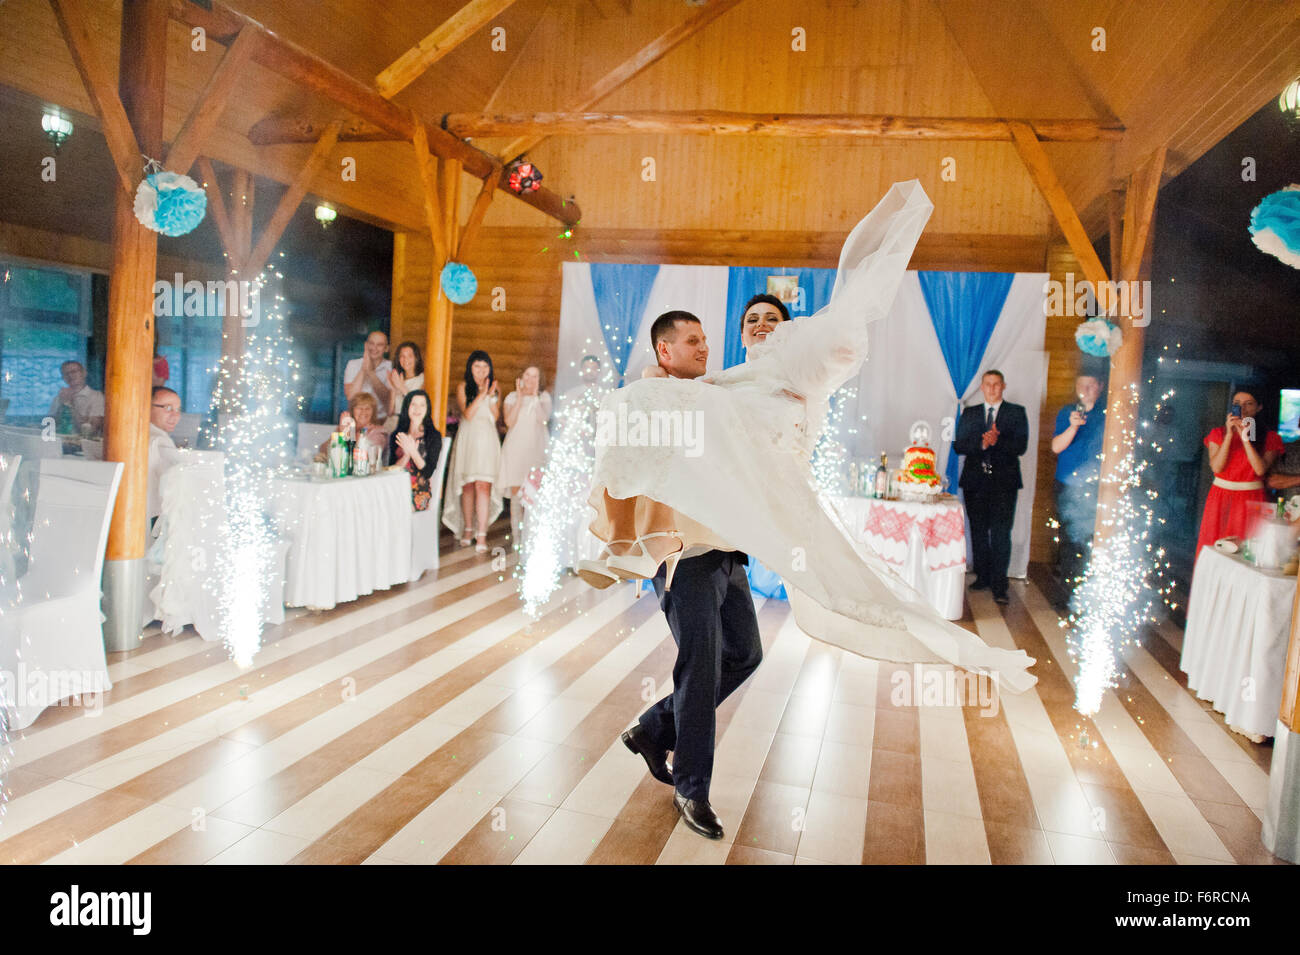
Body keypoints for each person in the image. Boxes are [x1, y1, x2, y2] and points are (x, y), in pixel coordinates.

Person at [586, 183, 1035, 839]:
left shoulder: (779, 394)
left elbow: (841, 353)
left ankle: (653, 727)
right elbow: (649, 430)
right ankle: (693, 789)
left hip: (728, 552)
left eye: (772, 322)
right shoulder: (701, 393)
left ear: (787, 335)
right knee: (703, 664)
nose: (758, 329)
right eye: (750, 325)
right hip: (684, 555)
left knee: (746, 653)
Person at [954, 370, 1029, 606]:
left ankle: (1000, 584)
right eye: (988, 384)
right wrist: (981, 443)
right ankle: (982, 577)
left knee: (1000, 533)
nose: (993, 388)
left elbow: (1021, 446)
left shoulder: (1016, 412)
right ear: (982, 387)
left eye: (997, 384)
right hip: (975, 482)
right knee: (977, 531)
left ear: (1003, 386)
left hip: (1004, 483)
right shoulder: (971, 412)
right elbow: (960, 445)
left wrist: (998, 442)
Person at [1195, 389, 1284, 558]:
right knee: (1214, 545)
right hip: (1220, 496)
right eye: (1237, 404)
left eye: (1248, 404)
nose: (1242, 409)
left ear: (1259, 407)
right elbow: (1217, 467)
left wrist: (1245, 438)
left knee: (1245, 549)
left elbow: (1259, 469)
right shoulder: (1218, 433)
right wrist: (1230, 435)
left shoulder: (1270, 437)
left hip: (1251, 498)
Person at [442, 350, 503, 553]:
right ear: (470, 368)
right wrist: (481, 395)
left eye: (485, 367)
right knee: (467, 485)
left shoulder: (495, 388)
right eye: (477, 367)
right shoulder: (463, 387)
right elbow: (467, 414)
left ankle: (482, 532)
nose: (481, 371)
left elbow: (495, 417)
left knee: (483, 485)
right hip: (468, 437)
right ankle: (468, 528)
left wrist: (491, 396)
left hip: (487, 440)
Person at [1050, 373, 1106, 586]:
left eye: (1091, 385)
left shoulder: (1107, 414)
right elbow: (1056, 447)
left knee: (1092, 541)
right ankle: (1065, 593)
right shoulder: (1067, 412)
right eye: (1082, 385)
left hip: (1096, 486)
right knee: (1067, 540)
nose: (1086, 389)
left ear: (1100, 386)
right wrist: (1073, 426)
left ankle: (1088, 592)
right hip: (1067, 485)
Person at [498, 366, 552, 550]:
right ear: (521, 377)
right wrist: (521, 397)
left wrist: (534, 396)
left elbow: (543, 419)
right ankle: (517, 537)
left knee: (532, 495)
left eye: (534, 376)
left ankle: (531, 537)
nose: (530, 379)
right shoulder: (512, 397)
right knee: (515, 495)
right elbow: (509, 422)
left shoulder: (544, 398)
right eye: (527, 375)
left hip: (535, 450)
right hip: (515, 450)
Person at [389, 389, 442, 511]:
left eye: (422, 405)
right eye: (413, 404)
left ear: (427, 409)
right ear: (407, 407)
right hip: (397, 487)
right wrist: (406, 456)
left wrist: (413, 452)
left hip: (419, 491)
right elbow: (391, 469)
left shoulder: (433, 436)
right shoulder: (397, 435)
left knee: (400, 507)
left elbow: (428, 472)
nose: (417, 409)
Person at [315, 392, 387, 463]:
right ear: (352, 410)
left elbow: (369, 457)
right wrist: (341, 432)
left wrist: (347, 435)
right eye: (359, 408)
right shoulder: (345, 427)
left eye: (368, 408)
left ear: (373, 412)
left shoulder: (379, 431)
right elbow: (323, 449)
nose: (363, 411)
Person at [147, 386, 181, 520]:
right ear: (147, 407)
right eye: (167, 408)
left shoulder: (144, 433)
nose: (175, 415)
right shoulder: (159, 441)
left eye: (178, 409)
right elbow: (173, 490)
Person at [48, 360, 105, 435]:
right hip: (59, 442)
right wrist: (62, 406)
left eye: (74, 372)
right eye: (66, 374)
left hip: (82, 445)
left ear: (84, 373)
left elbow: (91, 431)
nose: (70, 376)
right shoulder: (59, 398)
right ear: (63, 377)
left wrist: (69, 404)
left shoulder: (97, 397)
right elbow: (49, 426)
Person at [343, 330, 392, 412]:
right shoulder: (352, 364)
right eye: (371, 343)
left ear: (386, 348)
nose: (374, 348)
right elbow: (350, 396)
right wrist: (363, 369)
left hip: (381, 420)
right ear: (366, 345)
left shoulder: (391, 366)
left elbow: (387, 399)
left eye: (379, 345)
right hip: (358, 418)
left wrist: (370, 372)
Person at [384, 341, 424, 430]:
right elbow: (390, 412)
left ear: (416, 358)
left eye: (410, 356)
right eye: (402, 356)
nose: (406, 360)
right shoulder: (396, 378)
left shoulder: (423, 379)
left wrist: (401, 387)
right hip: (392, 423)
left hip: (410, 424)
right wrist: (393, 388)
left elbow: (417, 405)